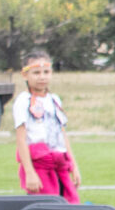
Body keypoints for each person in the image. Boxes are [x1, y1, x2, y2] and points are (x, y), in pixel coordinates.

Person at [13, 50, 81, 202]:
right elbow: (21, 139)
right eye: (36, 73)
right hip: (40, 165)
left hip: (60, 163)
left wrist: (74, 166)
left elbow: (62, 135)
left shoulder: (54, 100)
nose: (42, 77)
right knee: (46, 208)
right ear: (25, 75)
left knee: (70, 207)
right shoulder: (23, 101)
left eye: (46, 72)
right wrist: (29, 172)